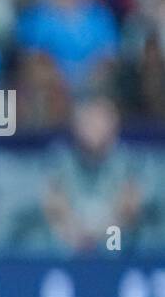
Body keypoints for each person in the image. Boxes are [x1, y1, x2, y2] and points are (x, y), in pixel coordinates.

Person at [43, 94, 142, 254]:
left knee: (117, 245)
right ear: (76, 126)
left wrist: (103, 235)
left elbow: (129, 208)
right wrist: (75, 233)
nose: (94, 128)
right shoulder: (60, 158)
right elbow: (54, 204)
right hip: (71, 237)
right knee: (53, 240)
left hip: (114, 236)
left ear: (113, 125)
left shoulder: (127, 160)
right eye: (88, 121)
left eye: (100, 121)